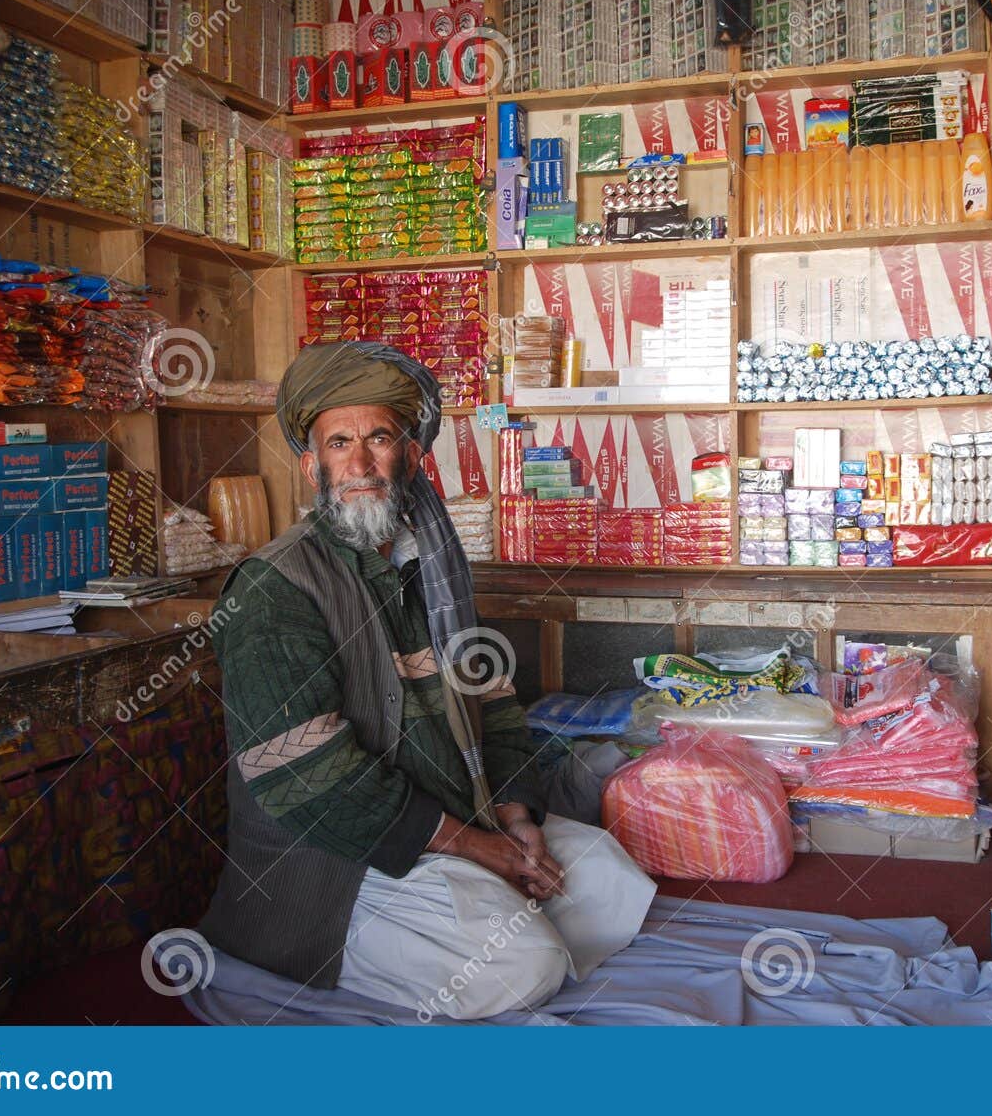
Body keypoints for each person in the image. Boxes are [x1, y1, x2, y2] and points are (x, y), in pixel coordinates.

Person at [197, 341, 654, 1020]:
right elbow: (313, 780)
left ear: (411, 456)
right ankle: (453, 933)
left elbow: (493, 710)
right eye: (338, 442)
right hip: (336, 865)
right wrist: (479, 849)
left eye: (378, 437)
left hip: (456, 815)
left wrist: (516, 820)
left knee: (614, 881)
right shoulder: (277, 587)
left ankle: (489, 907)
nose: (358, 463)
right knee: (523, 960)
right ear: (310, 464)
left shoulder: (430, 568)